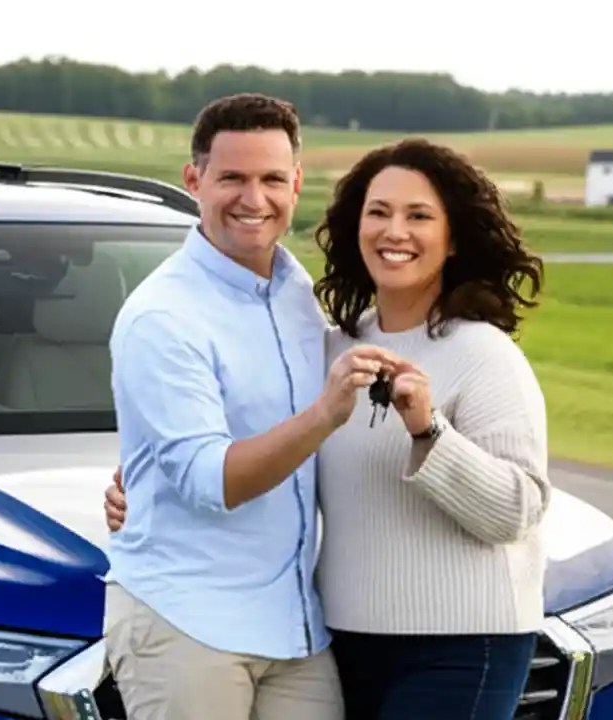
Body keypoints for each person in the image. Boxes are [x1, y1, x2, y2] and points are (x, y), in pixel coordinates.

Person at [107, 136, 552, 719]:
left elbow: (516, 512)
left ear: (454, 237)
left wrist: (428, 431)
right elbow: (255, 433)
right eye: (379, 213)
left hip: (461, 645)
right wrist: (140, 484)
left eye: (419, 216)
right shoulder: (334, 345)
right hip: (343, 637)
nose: (396, 232)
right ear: (354, 227)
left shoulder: (483, 354)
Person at [103, 92, 397, 720]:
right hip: (187, 624)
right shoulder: (163, 317)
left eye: (270, 178)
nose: (252, 198)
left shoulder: (294, 290)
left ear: (295, 184)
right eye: (231, 177)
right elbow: (213, 479)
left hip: (294, 627)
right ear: (194, 180)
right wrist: (324, 413)